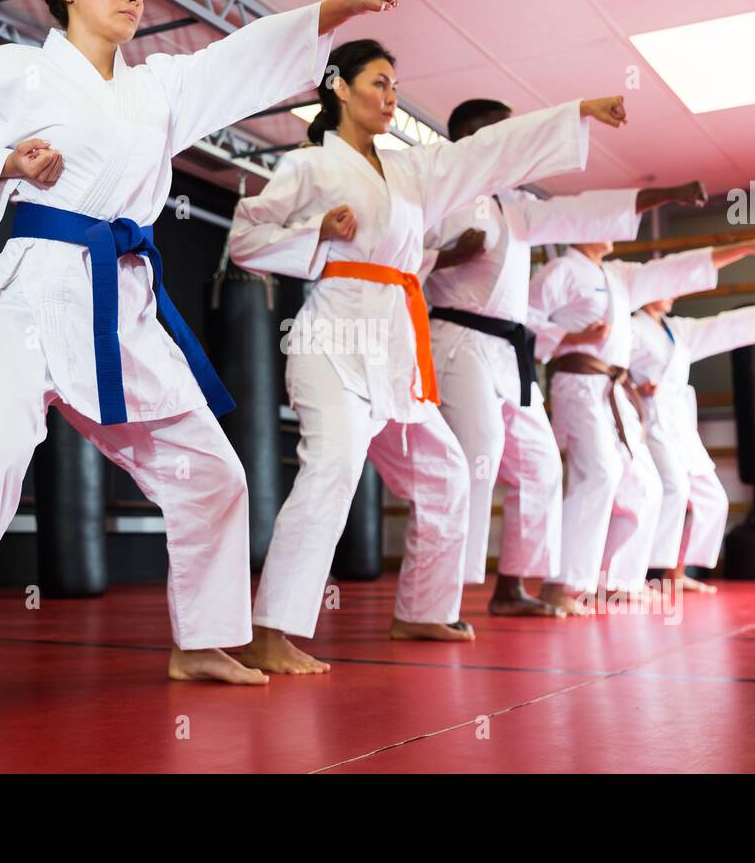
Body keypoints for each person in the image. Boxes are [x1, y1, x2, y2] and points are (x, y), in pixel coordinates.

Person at [0, 0, 399, 737]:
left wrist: (337, 9)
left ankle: (205, 642)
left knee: (215, 473)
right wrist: (7, 166)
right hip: (35, 294)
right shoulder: (16, 71)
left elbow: (240, 59)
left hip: (123, 308)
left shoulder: (158, 89)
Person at [229, 39, 628, 674]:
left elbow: (485, 151)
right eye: (379, 83)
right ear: (339, 87)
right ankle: (270, 632)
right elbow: (245, 239)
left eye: (395, 85)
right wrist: (314, 234)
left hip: (393, 350)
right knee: (330, 472)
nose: (391, 97)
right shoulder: (308, 167)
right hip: (333, 343)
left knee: (447, 473)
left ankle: (421, 609)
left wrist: (573, 112)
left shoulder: (413, 171)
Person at [424, 98, 710, 616]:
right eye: (501, 133)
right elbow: (394, 258)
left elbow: (582, 212)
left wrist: (662, 196)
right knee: (477, 456)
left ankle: (511, 588)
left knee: (540, 468)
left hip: (508, 354)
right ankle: (438, 599)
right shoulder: (442, 196)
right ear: (472, 141)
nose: (514, 142)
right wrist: (444, 255)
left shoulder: (516, 208)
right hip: (456, 340)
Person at [527, 232, 755, 613]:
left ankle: (617, 581)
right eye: (606, 223)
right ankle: (560, 584)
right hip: (581, 383)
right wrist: (572, 336)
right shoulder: (561, 271)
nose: (615, 232)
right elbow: (526, 321)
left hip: (613, 393)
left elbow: (676, 272)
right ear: (582, 228)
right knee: (599, 475)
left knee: (645, 484)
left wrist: (743, 250)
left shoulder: (617, 276)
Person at [631, 295, 755, 591]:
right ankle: (639, 574)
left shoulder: (677, 330)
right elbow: (609, 367)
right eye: (666, 289)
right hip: (648, 421)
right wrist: (634, 387)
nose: (672, 296)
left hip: (680, 425)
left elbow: (727, 325)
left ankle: (675, 573)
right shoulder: (631, 328)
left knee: (713, 500)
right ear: (650, 290)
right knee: (674, 489)